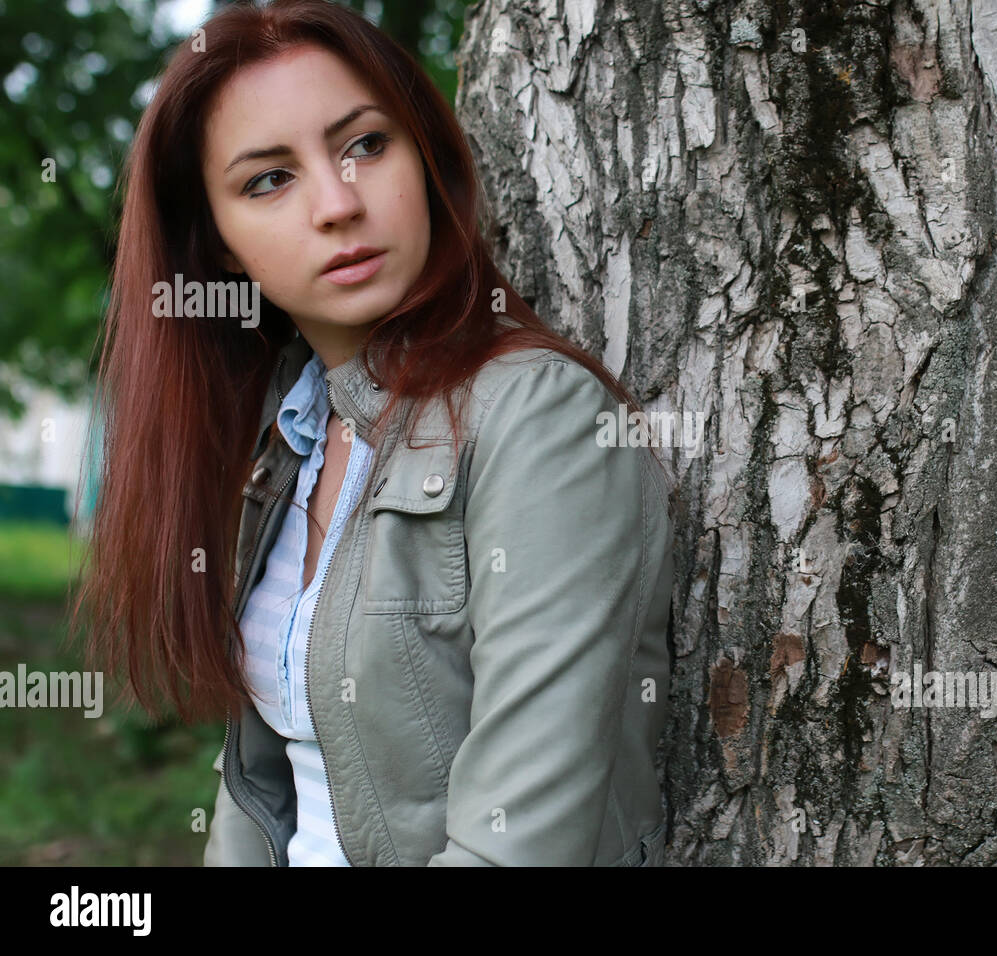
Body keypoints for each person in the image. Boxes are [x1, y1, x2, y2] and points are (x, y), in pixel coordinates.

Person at [70, 0, 674, 866]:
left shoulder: (540, 420)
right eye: (268, 180)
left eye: (364, 145)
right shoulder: (288, 437)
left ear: (423, 158)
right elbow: (254, 790)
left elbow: (520, 847)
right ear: (223, 247)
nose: (336, 204)